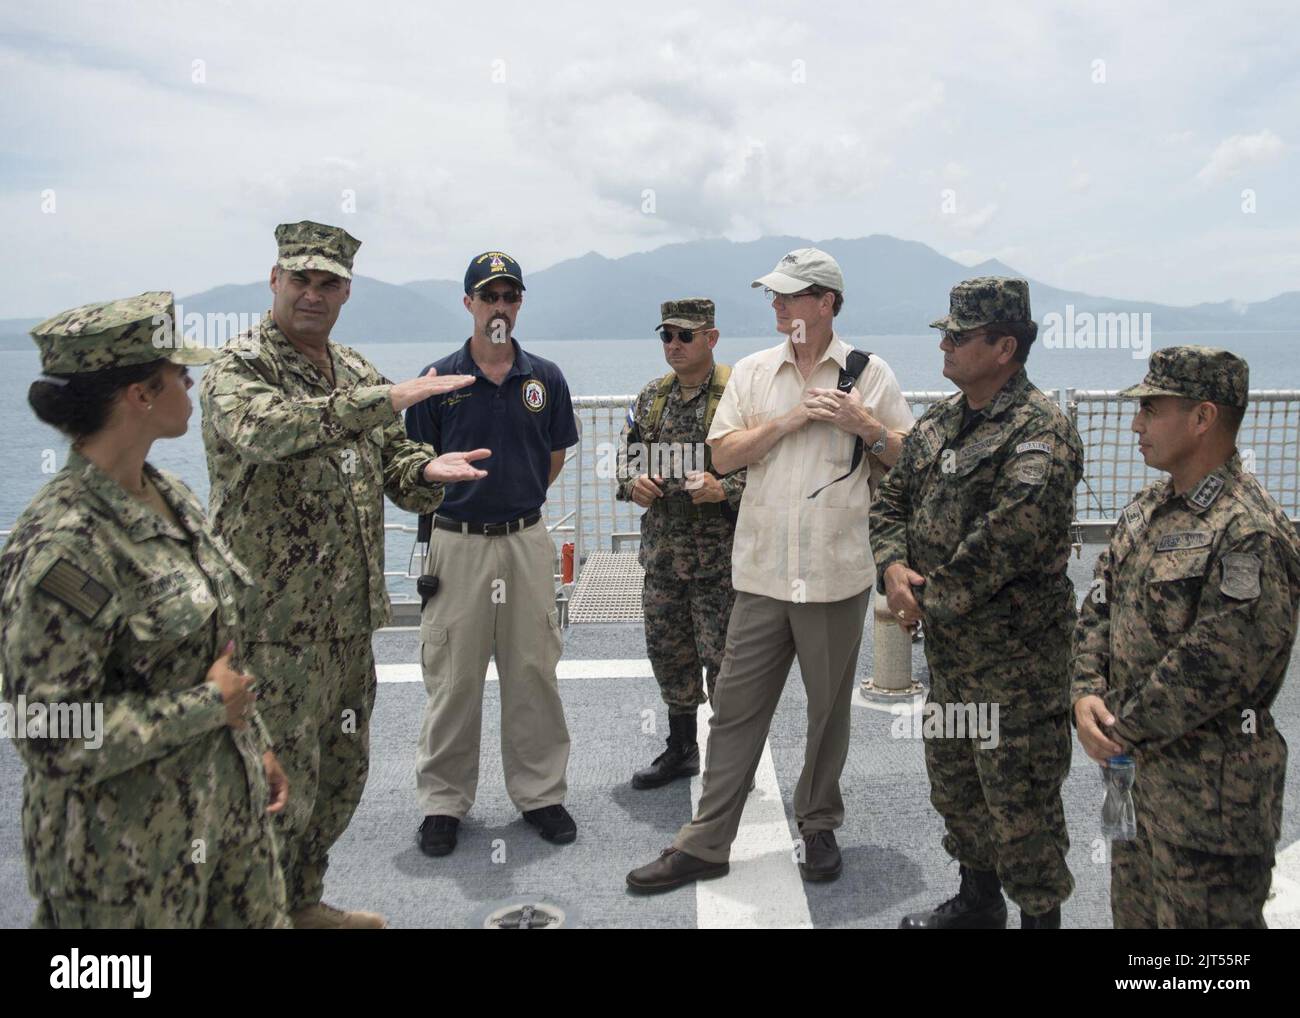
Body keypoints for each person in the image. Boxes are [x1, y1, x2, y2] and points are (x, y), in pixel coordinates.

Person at [199, 222, 485, 928]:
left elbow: (393, 463)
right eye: (300, 279)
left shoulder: (354, 368)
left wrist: (427, 472)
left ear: (346, 292)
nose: (312, 294)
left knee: (338, 778)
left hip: (347, 626)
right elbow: (272, 431)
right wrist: (386, 402)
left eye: (328, 283)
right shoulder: (240, 366)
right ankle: (254, 916)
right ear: (274, 281)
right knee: (269, 789)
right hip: (270, 632)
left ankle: (301, 903)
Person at [626, 247, 912, 891]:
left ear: (827, 302)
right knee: (732, 709)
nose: (778, 305)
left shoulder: (872, 375)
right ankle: (705, 842)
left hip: (835, 574)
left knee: (826, 711)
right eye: (774, 296)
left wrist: (865, 425)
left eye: (790, 295)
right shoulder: (755, 374)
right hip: (759, 574)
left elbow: (906, 462)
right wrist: (789, 420)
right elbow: (722, 456)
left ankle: (817, 824)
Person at [0, 292, 290, 928]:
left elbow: (216, 651)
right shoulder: (65, 546)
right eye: (179, 374)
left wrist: (254, 744)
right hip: (126, 865)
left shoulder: (170, 496)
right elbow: (49, 734)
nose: (192, 383)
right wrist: (209, 707)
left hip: (223, 823)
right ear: (140, 394)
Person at [870, 277, 1082, 930]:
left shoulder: (1040, 433)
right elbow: (892, 499)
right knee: (958, 788)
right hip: (954, 661)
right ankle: (978, 901)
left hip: (1017, 668)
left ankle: (1039, 920)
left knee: (1021, 804)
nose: (946, 344)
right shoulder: (940, 420)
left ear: (1003, 347)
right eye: (945, 332)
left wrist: (919, 603)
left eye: (959, 335)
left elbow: (1005, 541)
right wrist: (893, 566)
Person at [1072, 346, 1300, 929]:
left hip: (1210, 807)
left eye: (1151, 407)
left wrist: (1117, 728)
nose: (1136, 423)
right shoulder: (1147, 509)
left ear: (1202, 419)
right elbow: (1100, 603)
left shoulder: (1249, 531)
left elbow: (1215, 664)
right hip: (1137, 785)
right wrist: (1085, 691)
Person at [405, 251, 580, 857]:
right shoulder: (438, 381)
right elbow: (412, 467)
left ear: (519, 304)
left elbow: (553, 458)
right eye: (489, 296)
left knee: (533, 668)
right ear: (469, 305)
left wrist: (516, 501)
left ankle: (539, 794)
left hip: (527, 542)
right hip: (458, 543)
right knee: (454, 678)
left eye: (510, 296)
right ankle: (444, 803)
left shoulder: (546, 380)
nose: (499, 306)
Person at [616, 298, 745, 788]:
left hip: (720, 558)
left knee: (726, 661)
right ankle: (681, 748)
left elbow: (768, 472)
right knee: (670, 653)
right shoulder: (652, 397)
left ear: (711, 338)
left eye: (685, 336)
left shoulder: (737, 395)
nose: (673, 345)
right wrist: (634, 484)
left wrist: (725, 489)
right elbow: (626, 458)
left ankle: (733, 759)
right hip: (664, 555)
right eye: (666, 335)